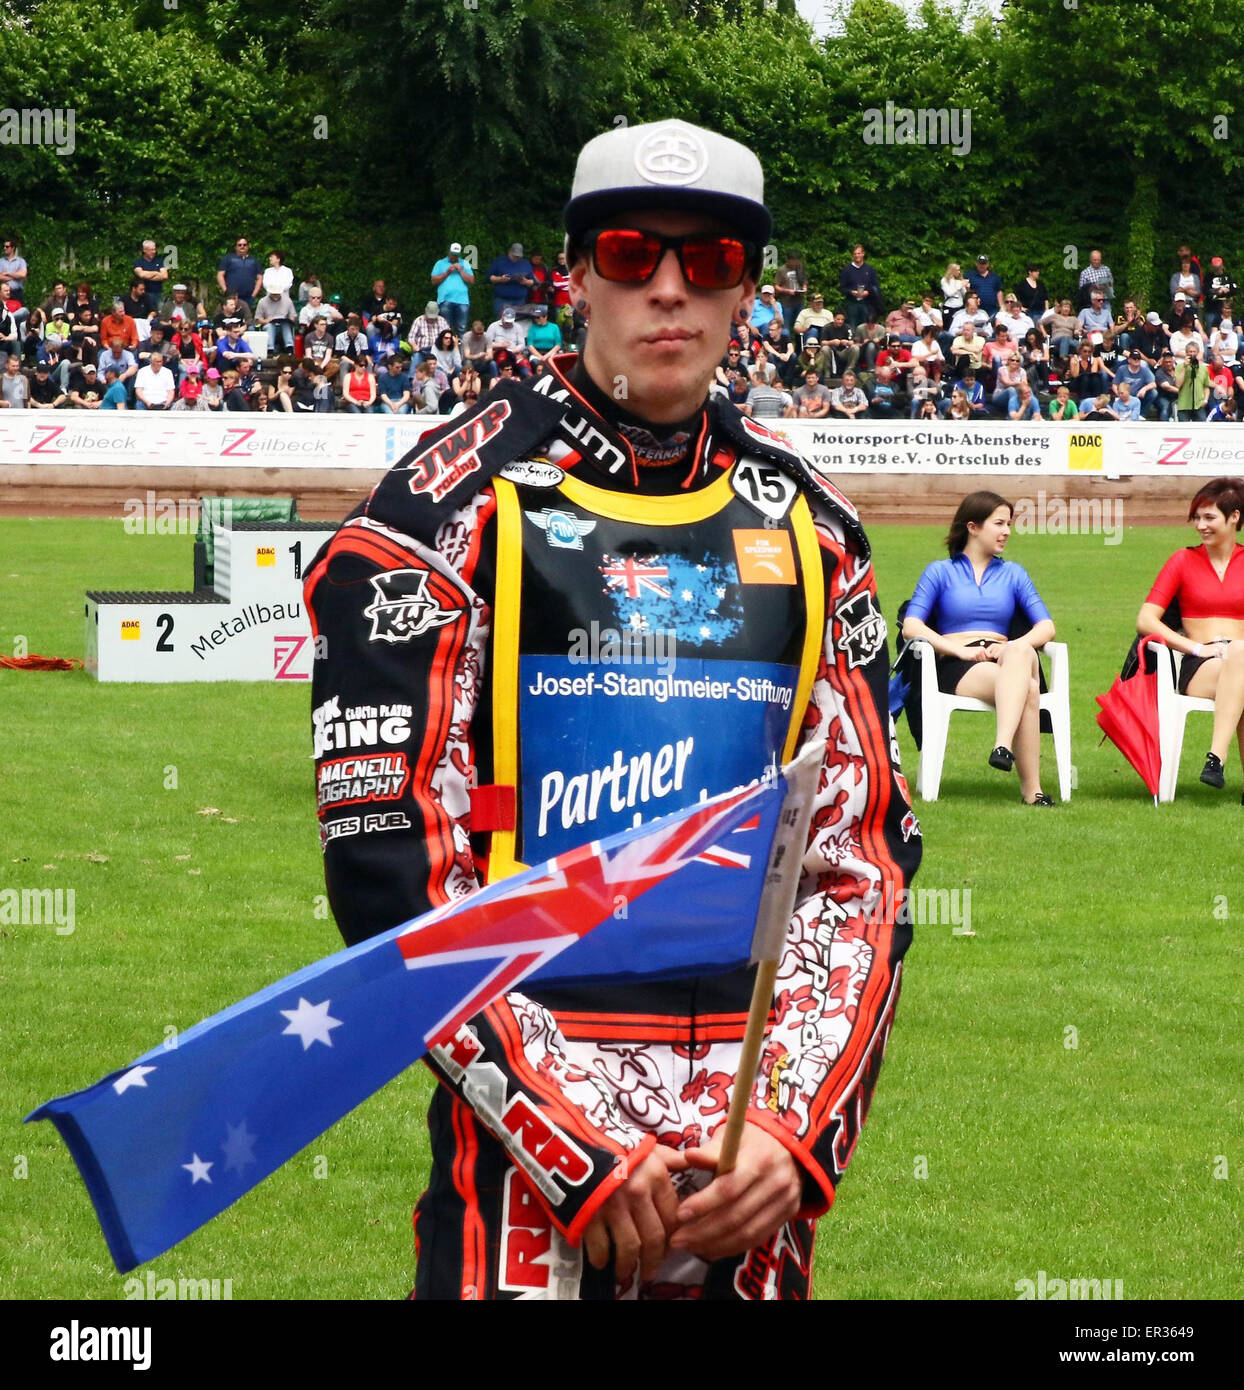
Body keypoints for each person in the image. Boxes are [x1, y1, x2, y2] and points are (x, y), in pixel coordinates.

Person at [305, 117, 918, 1302]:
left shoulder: (814, 527)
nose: (671, 290)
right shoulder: (438, 517)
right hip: (534, 1173)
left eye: (714, 260)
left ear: (751, 289)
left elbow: (859, 863)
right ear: (575, 274)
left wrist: (790, 1131)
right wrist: (569, 1142)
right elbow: (395, 874)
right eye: (635, 254)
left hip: (747, 1160)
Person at [902, 491, 1057, 805]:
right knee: (1028, 687)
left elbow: (1046, 627)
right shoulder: (939, 572)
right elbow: (911, 626)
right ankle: (1032, 791)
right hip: (958, 664)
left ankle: (1002, 745)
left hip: (1003, 657)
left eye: (1009, 524)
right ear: (973, 527)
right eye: (999, 523)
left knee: (1023, 653)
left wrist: (1013, 646)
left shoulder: (1014, 573)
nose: (1007, 531)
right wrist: (958, 650)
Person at [1137, 478, 1244, 793]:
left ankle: (1215, 760)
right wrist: (1196, 648)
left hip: (1239, 659)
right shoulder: (1182, 560)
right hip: (1200, 666)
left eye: (1209, 517)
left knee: (1240, 656)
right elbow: (1146, 619)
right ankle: (1217, 757)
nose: (1200, 525)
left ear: (1234, 517)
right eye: (1197, 517)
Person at [431, 242, 475, 335]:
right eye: (452, 254)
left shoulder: (465, 263)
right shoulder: (440, 263)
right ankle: (446, 348)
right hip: (445, 299)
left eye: (456, 255)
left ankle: (460, 348)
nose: (454, 257)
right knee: (445, 327)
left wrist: (461, 270)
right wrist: (447, 272)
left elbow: (471, 280)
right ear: (449, 252)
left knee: (461, 327)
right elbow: (434, 281)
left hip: (462, 300)